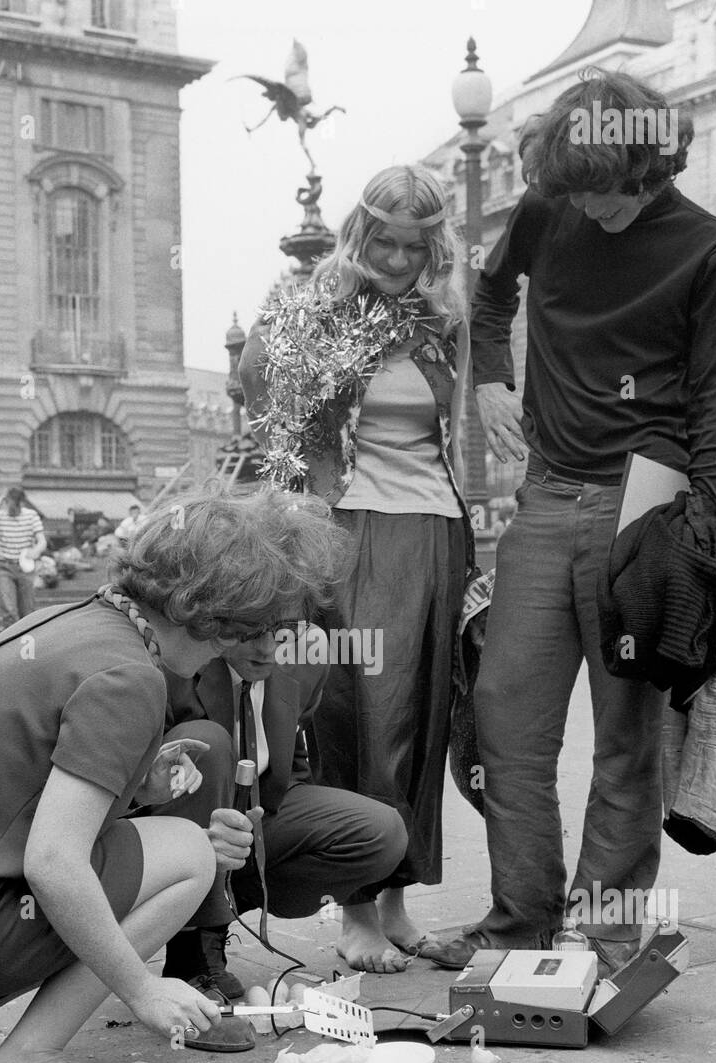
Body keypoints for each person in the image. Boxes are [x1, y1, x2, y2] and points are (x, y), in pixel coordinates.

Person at [0, 488, 342, 1063]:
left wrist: (137, 791)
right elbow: (52, 861)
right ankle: (31, 1055)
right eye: (251, 631)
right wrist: (141, 987)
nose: (249, 649)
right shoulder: (131, 676)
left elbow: (11, 797)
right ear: (211, 616)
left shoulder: (66, 624)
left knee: (152, 847)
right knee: (187, 856)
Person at [427, 70, 716, 975]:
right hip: (547, 494)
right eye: (572, 195)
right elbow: (490, 298)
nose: (587, 213)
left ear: (652, 163)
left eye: (603, 196)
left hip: (648, 502)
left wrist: (704, 526)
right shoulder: (552, 202)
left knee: (626, 735)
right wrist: (489, 375)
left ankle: (604, 934)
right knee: (505, 715)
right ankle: (521, 921)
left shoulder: (713, 250)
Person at [240, 164, 476, 973]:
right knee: (360, 715)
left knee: (423, 718)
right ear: (360, 231)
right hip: (354, 530)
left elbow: (461, 424)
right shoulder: (322, 313)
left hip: (439, 529)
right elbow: (258, 385)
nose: (400, 259)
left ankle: (402, 902)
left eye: (416, 246)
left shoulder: (441, 322)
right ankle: (358, 911)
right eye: (385, 241)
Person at [151, 623, 408, 1036]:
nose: (268, 649)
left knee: (380, 831)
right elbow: (140, 790)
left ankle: (225, 902)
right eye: (251, 632)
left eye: (282, 633)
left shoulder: (305, 656)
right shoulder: (176, 661)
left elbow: (294, 752)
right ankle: (190, 942)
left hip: (258, 812)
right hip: (173, 832)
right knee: (206, 743)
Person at [0, 486, 46, 629]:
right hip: (3, 567)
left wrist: (36, 550)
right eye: (8, 504)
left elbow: (42, 541)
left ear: (21, 503)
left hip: (24, 567)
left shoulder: (31, 515)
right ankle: (10, 646)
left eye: (14, 505)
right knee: (9, 610)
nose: (11, 509)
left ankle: (27, 644)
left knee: (28, 611)